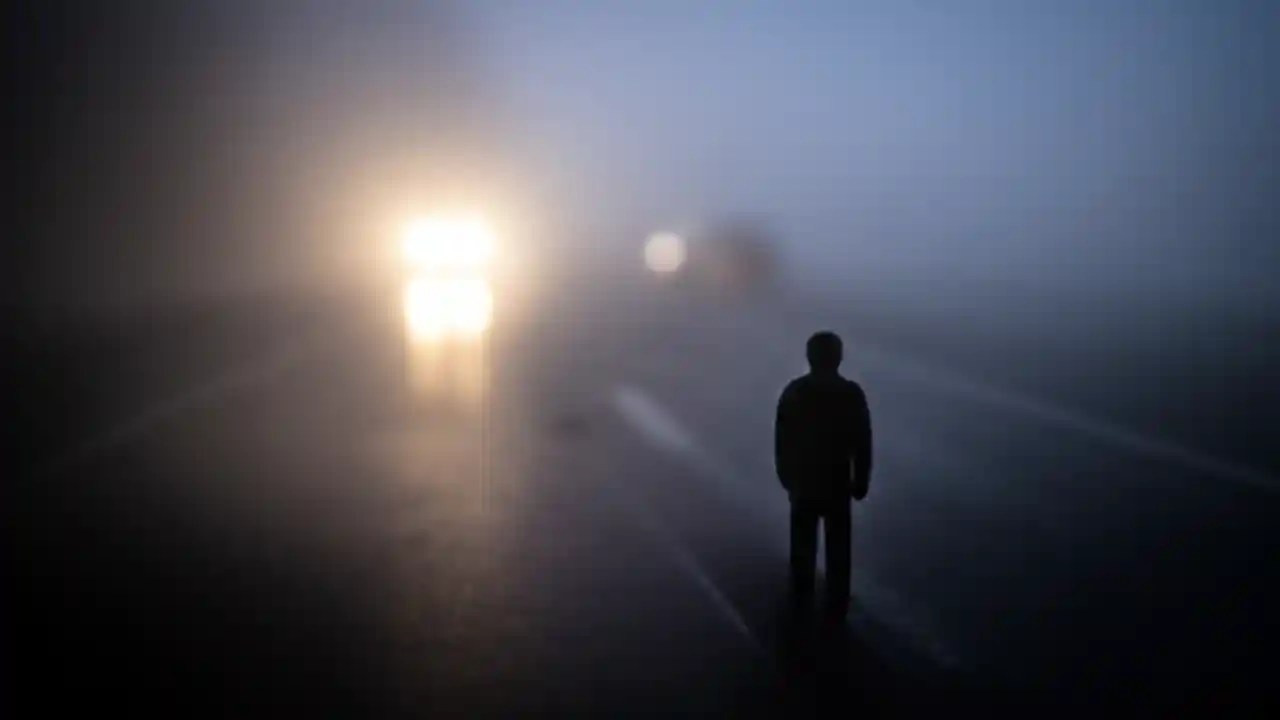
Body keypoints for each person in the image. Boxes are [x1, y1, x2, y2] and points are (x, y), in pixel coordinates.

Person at [774, 331, 873, 619]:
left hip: (804, 482)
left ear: (809, 357)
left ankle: (800, 605)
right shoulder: (851, 394)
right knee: (839, 549)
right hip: (837, 482)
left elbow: (782, 438)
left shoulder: (795, 391)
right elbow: (862, 441)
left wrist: (786, 475)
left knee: (802, 548)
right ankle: (836, 605)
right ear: (839, 357)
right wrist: (861, 479)